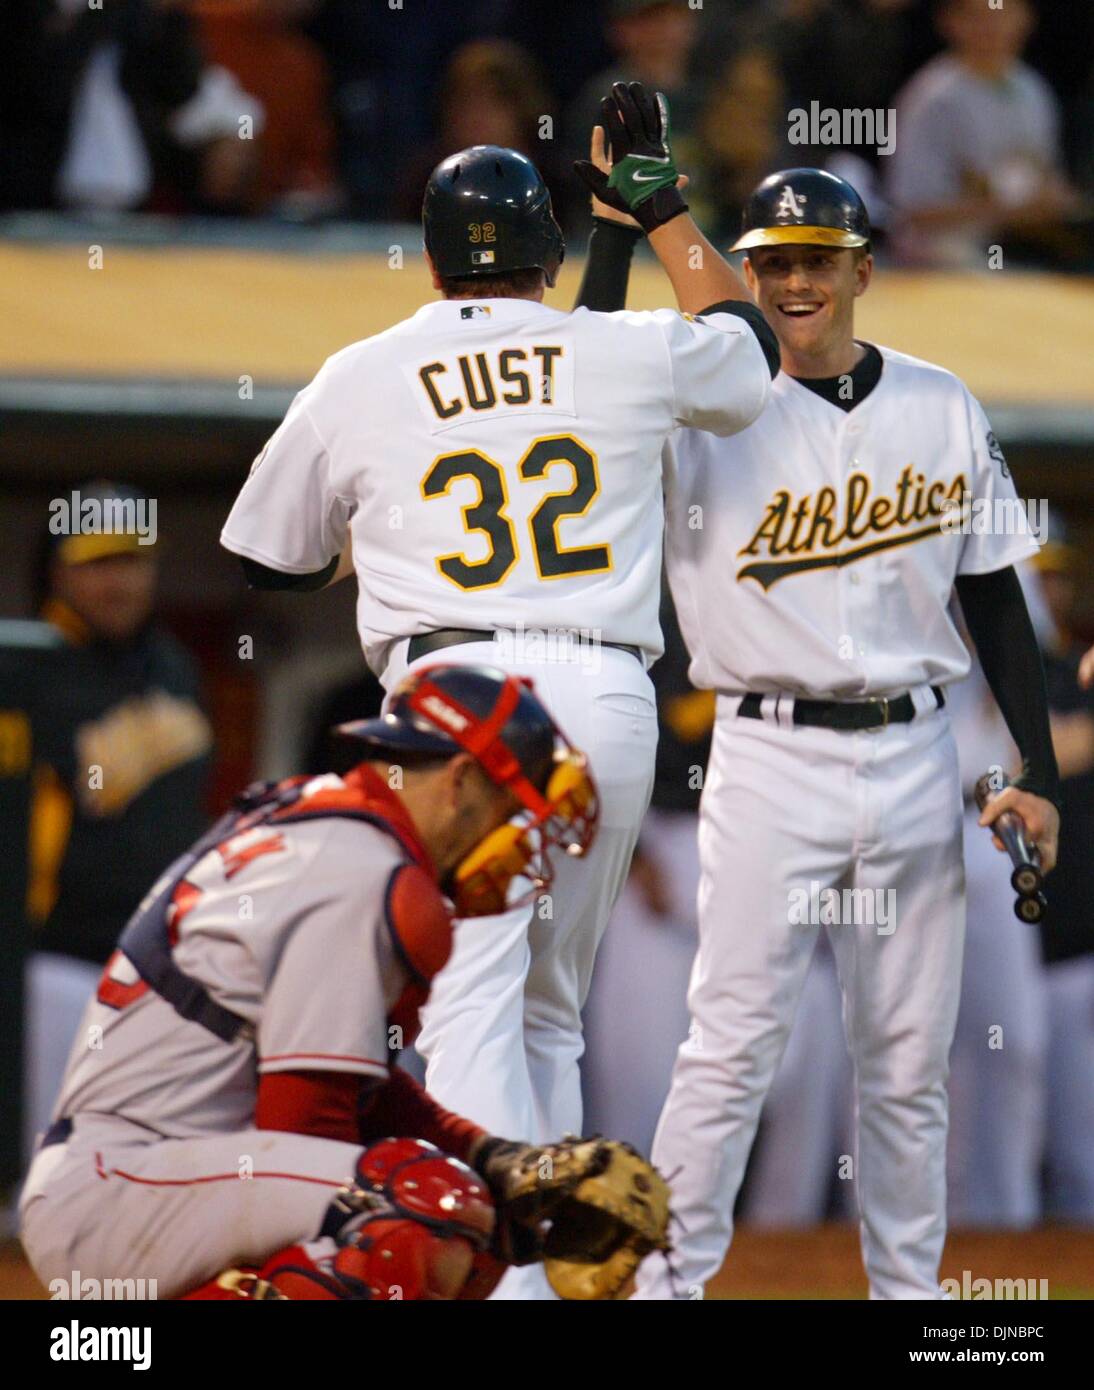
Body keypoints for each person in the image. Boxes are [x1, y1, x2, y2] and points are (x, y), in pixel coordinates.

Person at [220, 120, 778, 1297]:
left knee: (468, 995)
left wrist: (384, 537)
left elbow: (265, 561)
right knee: (546, 1014)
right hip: (607, 693)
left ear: (430, 261)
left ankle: (502, 1288)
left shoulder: (361, 369)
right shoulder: (616, 347)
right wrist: (659, 205)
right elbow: (743, 347)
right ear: (545, 254)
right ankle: (550, 1264)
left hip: (457, 700)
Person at [575, 154, 1061, 1298]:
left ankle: (904, 1296)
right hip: (766, 749)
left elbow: (990, 589)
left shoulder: (938, 400)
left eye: (816, 263)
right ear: (746, 275)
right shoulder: (700, 398)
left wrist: (1031, 763)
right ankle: (665, 1285)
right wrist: (618, 225)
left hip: (911, 749)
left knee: (905, 1066)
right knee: (731, 1047)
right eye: (773, 263)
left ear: (861, 271)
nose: (795, 283)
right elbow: (585, 363)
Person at [20, 663, 667, 1301]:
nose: (521, 841)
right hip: (125, 1190)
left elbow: (355, 1094)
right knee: (423, 1208)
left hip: (162, 1177)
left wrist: (495, 1160)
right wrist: (479, 1202)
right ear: (462, 780)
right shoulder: (359, 866)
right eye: (511, 804)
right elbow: (308, 1126)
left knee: (460, 1212)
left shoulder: (337, 829)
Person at [25, 480, 213, 1160]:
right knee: (40, 1170)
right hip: (55, 961)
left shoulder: (174, 668)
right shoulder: (27, 669)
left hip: (162, 967)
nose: (120, 581)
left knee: (145, 1162)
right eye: (99, 562)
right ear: (58, 570)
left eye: (133, 561)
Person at [887, 0, 1083, 268]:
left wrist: (1054, 199)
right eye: (976, 16)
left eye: (1003, 14)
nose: (991, 27)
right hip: (941, 251)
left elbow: (1043, 176)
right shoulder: (933, 98)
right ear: (948, 22)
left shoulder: (1032, 89)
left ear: (1026, 19)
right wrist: (1009, 211)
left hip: (1016, 242)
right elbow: (910, 212)